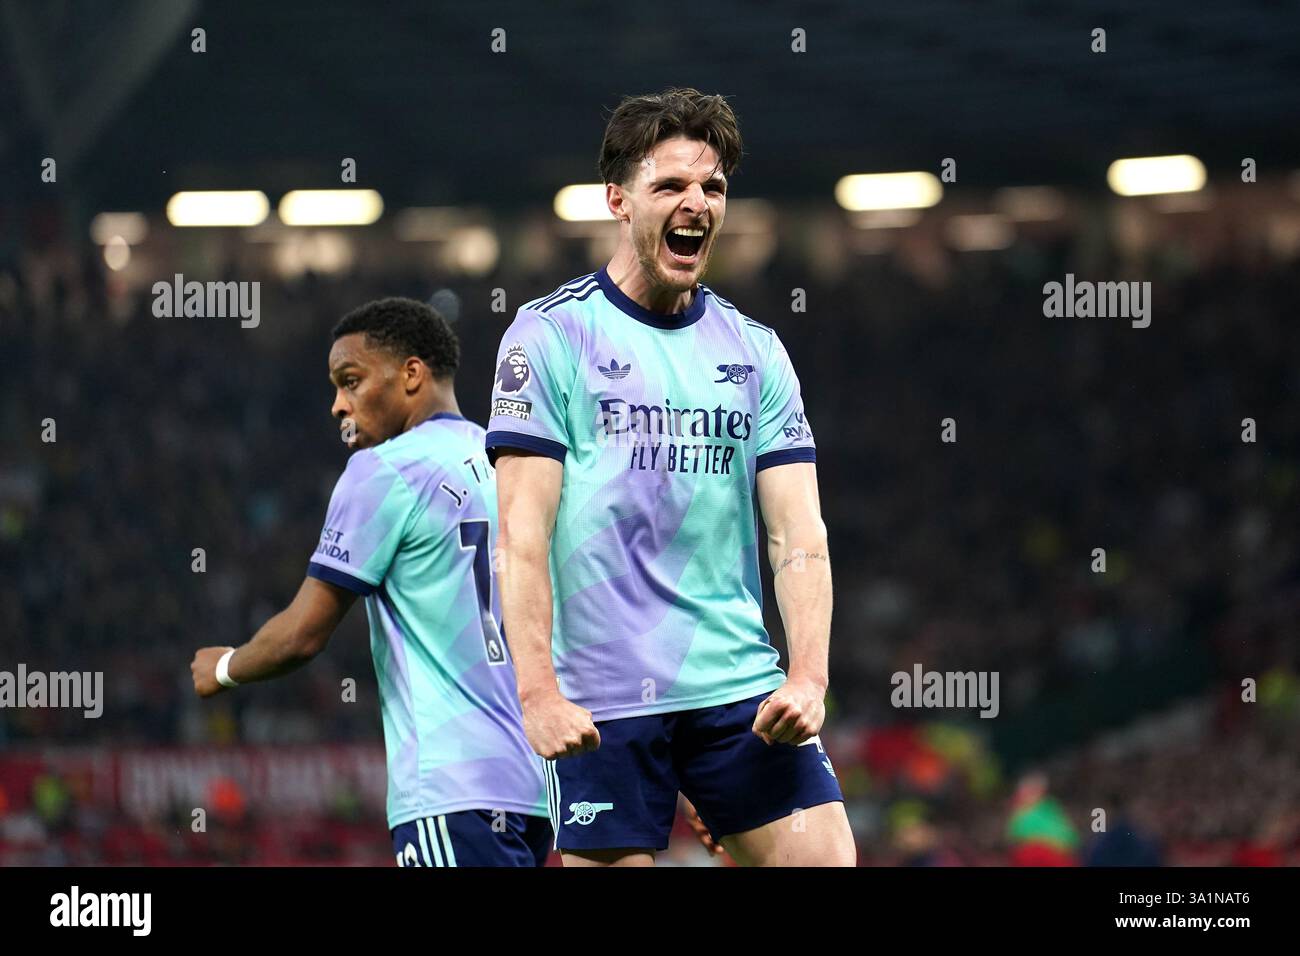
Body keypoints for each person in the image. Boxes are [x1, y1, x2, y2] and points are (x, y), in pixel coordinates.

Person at [485, 88, 855, 866]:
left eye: (712, 188)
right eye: (670, 187)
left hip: (738, 695)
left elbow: (799, 535)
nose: (697, 204)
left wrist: (810, 677)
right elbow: (520, 539)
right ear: (619, 199)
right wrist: (538, 694)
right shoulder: (551, 337)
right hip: (604, 707)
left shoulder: (754, 352)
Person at [191, 297, 550, 866]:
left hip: (449, 793)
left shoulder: (383, 469)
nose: (338, 405)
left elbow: (304, 635)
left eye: (351, 381)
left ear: (412, 374)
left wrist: (223, 668)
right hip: (535, 789)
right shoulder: (512, 462)